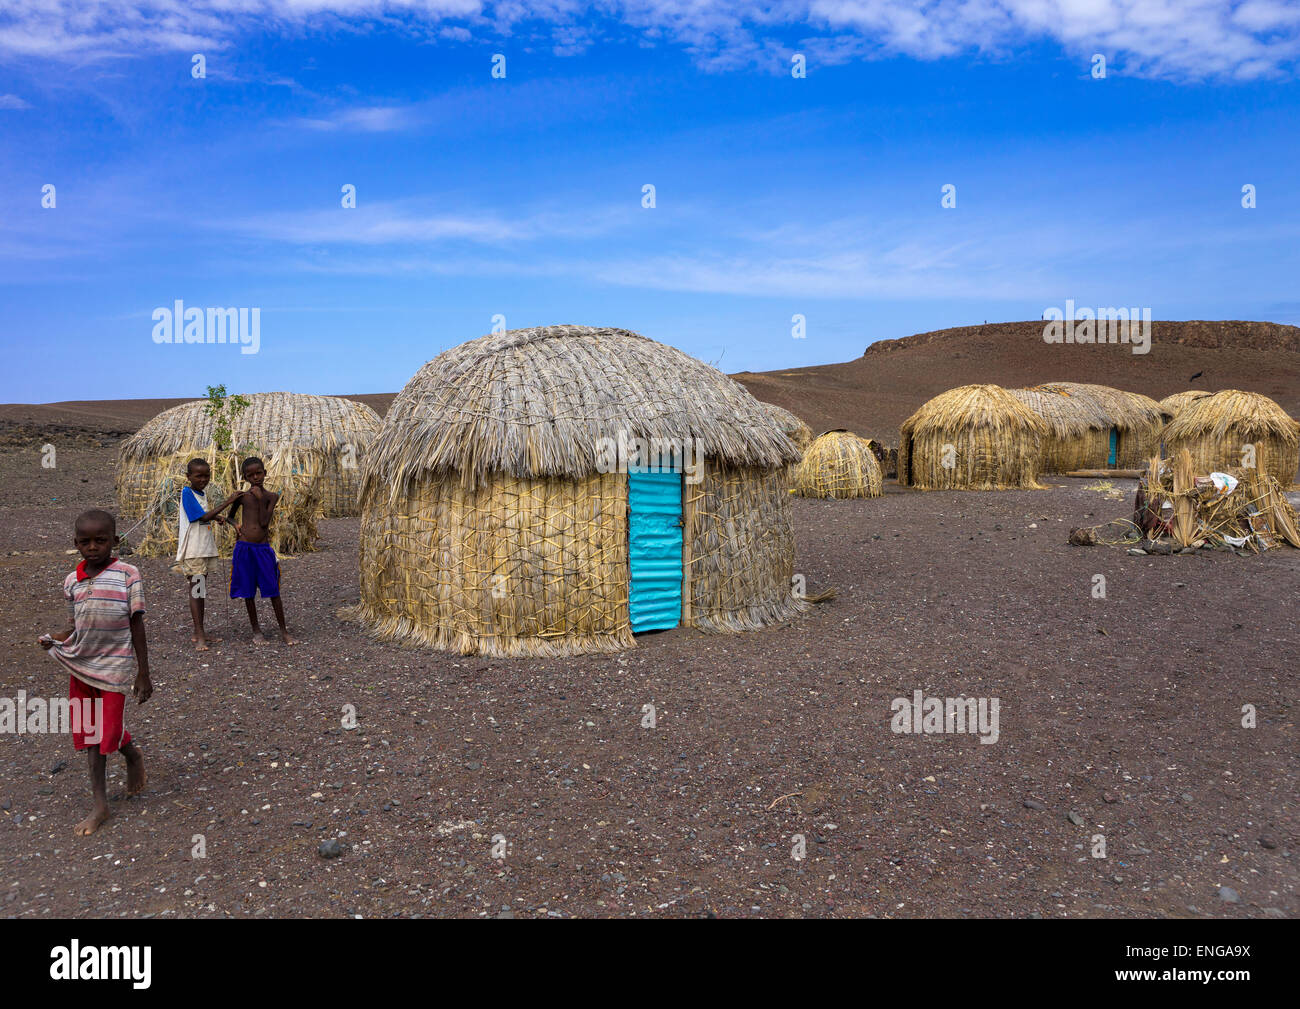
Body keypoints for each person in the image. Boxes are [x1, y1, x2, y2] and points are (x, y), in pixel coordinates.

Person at [40, 510, 151, 836]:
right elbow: (74, 626)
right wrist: (55, 639)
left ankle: (131, 754)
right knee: (91, 734)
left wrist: (143, 672)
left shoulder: (128, 575)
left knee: (109, 730)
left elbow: (137, 624)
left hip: (115, 668)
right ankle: (100, 805)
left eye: (100, 541)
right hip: (82, 666)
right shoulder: (72, 581)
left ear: (115, 541)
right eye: (85, 542)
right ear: (75, 544)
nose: (93, 547)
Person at [204, 456, 297, 645]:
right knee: (247, 590)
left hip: (263, 549)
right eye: (251, 475)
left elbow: (264, 522)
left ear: (265, 473)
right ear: (245, 478)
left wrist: (261, 499)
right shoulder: (242, 497)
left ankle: (284, 631)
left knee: (273, 590)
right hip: (244, 548)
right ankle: (256, 631)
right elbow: (229, 517)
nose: (256, 477)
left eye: (259, 473)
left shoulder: (271, 497)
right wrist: (235, 524)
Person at [174, 458, 225, 650]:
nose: (203, 479)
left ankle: (199, 631)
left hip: (203, 548)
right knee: (196, 591)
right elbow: (201, 516)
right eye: (199, 476)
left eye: (206, 475)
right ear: (189, 477)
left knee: (200, 590)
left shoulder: (199, 493)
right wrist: (227, 502)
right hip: (193, 550)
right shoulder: (187, 492)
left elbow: (203, 515)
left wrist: (218, 517)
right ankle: (199, 633)